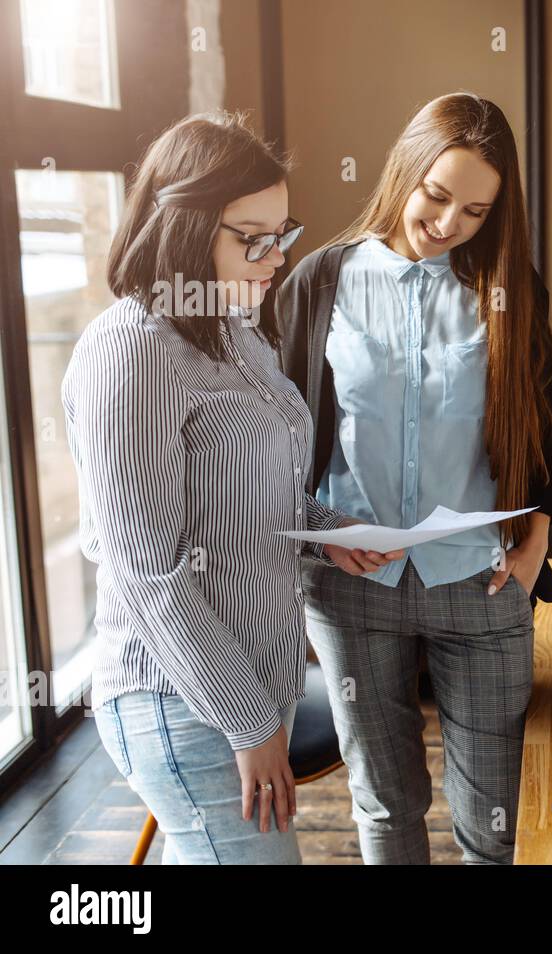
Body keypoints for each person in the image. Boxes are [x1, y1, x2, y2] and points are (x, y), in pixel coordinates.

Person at [62, 111, 399, 864]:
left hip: (249, 683)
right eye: (253, 237)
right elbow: (151, 574)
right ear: (179, 227)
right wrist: (250, 725)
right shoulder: (132, 354)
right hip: (184, 703)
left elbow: (255, 489)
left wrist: (324, 529)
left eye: (283, 232)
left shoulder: (230, 329)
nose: (276, 256)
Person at [277, 92, 552, 865]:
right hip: (349, 585)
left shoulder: (508, 286)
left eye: (474, 211)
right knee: (385, 804)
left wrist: (537, 539)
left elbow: (544, 427)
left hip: (482, 580)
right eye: (436, 196)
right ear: (404, 167)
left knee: (494, 823)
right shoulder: (319, 280)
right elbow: (276, 437)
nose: (447, 224)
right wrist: (320, 531)